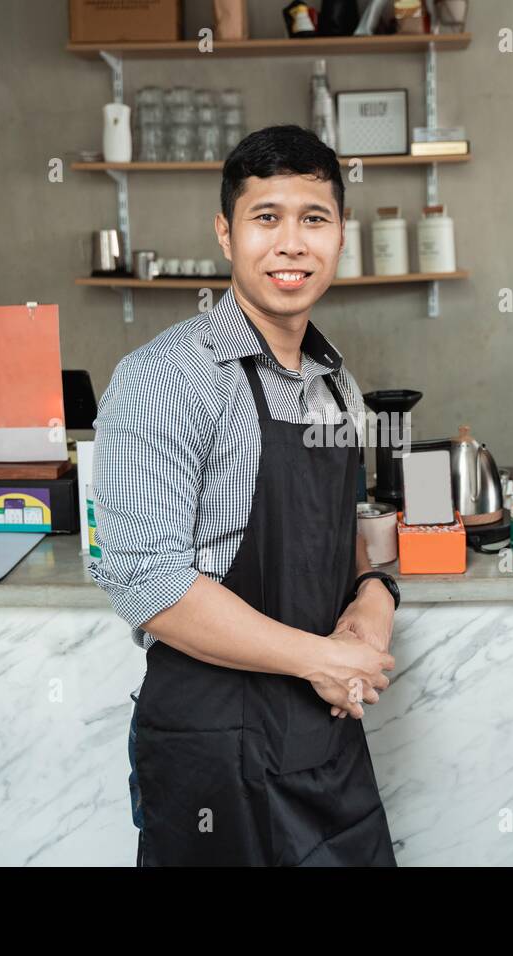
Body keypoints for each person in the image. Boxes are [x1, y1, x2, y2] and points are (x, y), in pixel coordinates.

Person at [90, 125, 401, 866]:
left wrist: (373, 597)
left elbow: (349, 523)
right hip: (214, 742)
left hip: (323, 731)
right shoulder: (165, 378)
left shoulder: (335, 384)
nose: (291, 243)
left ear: (340, 236)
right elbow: (149, 581)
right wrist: (317, 659)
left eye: (313, 219)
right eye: (267, 218)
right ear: (227, 235)